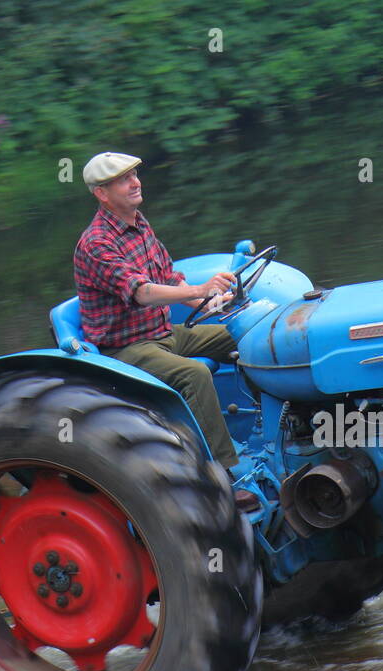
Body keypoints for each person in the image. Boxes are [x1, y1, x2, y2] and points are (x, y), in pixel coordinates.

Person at [73, 151, 257, 510]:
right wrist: (200, 291)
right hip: (124, 348)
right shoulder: (96, 244)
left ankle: (278, 429)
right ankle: (222, 476)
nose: (135, 182)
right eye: (124, 179)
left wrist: (217, 303)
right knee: (194, 375)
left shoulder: (139, 224)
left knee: (249, 334)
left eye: (135, 174)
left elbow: (167, 278)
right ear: (101, 193)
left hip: (163, 332)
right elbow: (142, 292)